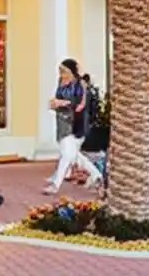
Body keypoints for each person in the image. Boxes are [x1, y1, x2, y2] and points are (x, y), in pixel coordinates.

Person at [45, 59, 101, 195]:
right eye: (60, 71)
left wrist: (63, 103)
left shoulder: (80, 84)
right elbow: (57, 99)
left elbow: (80, 105)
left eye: (64, 71)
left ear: (72, 71)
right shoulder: (61, 83)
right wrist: (55, 104)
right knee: (73, 155)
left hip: (76, 124)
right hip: (63, 123)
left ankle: (55, 184)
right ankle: (96, 175)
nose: (62, 74)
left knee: (67, 155)